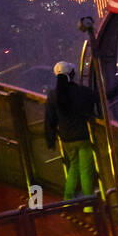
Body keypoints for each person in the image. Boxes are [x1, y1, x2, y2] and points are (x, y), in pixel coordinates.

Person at [43, 61, 99, 211]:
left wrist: (50, 140)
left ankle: (68, 199)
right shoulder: (82, 92)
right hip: (84, 137)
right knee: (86, 170)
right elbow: (103, 96)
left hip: (66, 139)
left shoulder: (53, 95)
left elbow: (49, 119)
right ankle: (88, 205)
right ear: (72, 75)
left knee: (73, 166)